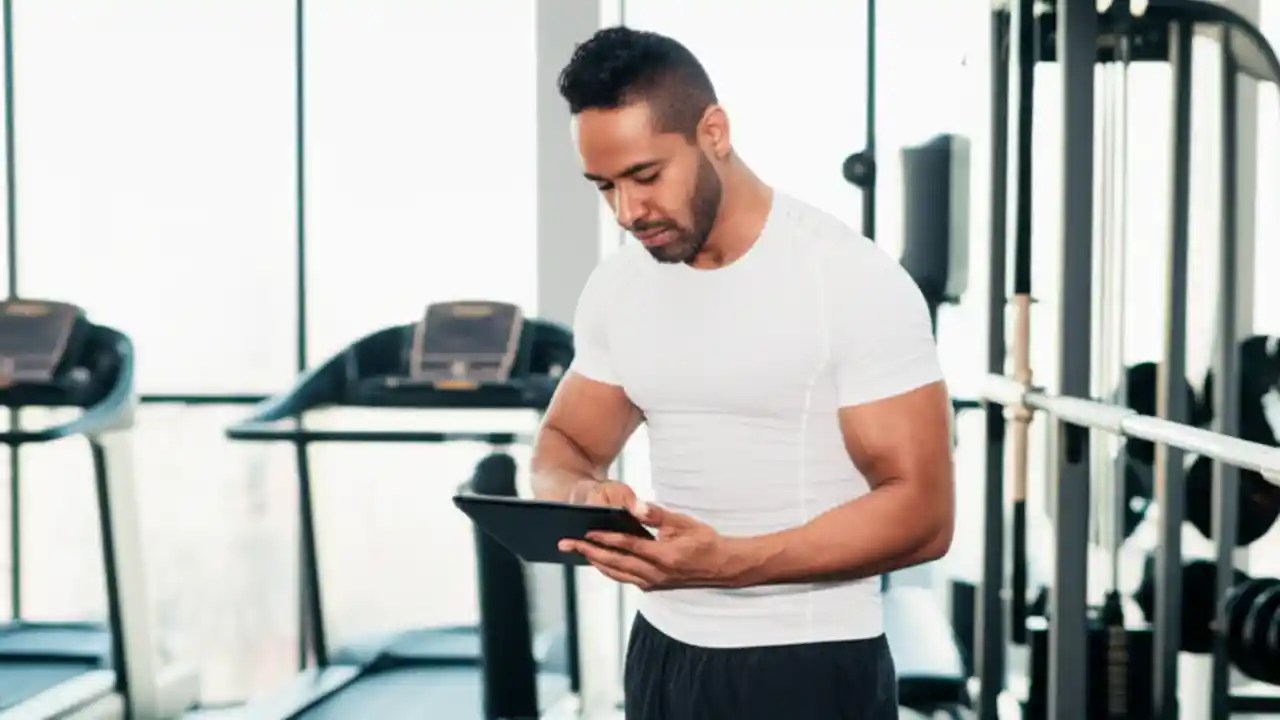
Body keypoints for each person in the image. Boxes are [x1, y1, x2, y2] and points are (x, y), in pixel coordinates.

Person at [531, 25, 955, 720]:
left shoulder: (848, 280)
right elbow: (562, 447)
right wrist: (582, 493)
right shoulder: (619, 286)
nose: (628, 211)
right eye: (604, 186)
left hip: (807, 665)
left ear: (714, 132)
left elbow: (924, 516)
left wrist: (730, 561)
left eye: (645, 176)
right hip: (664, 652)